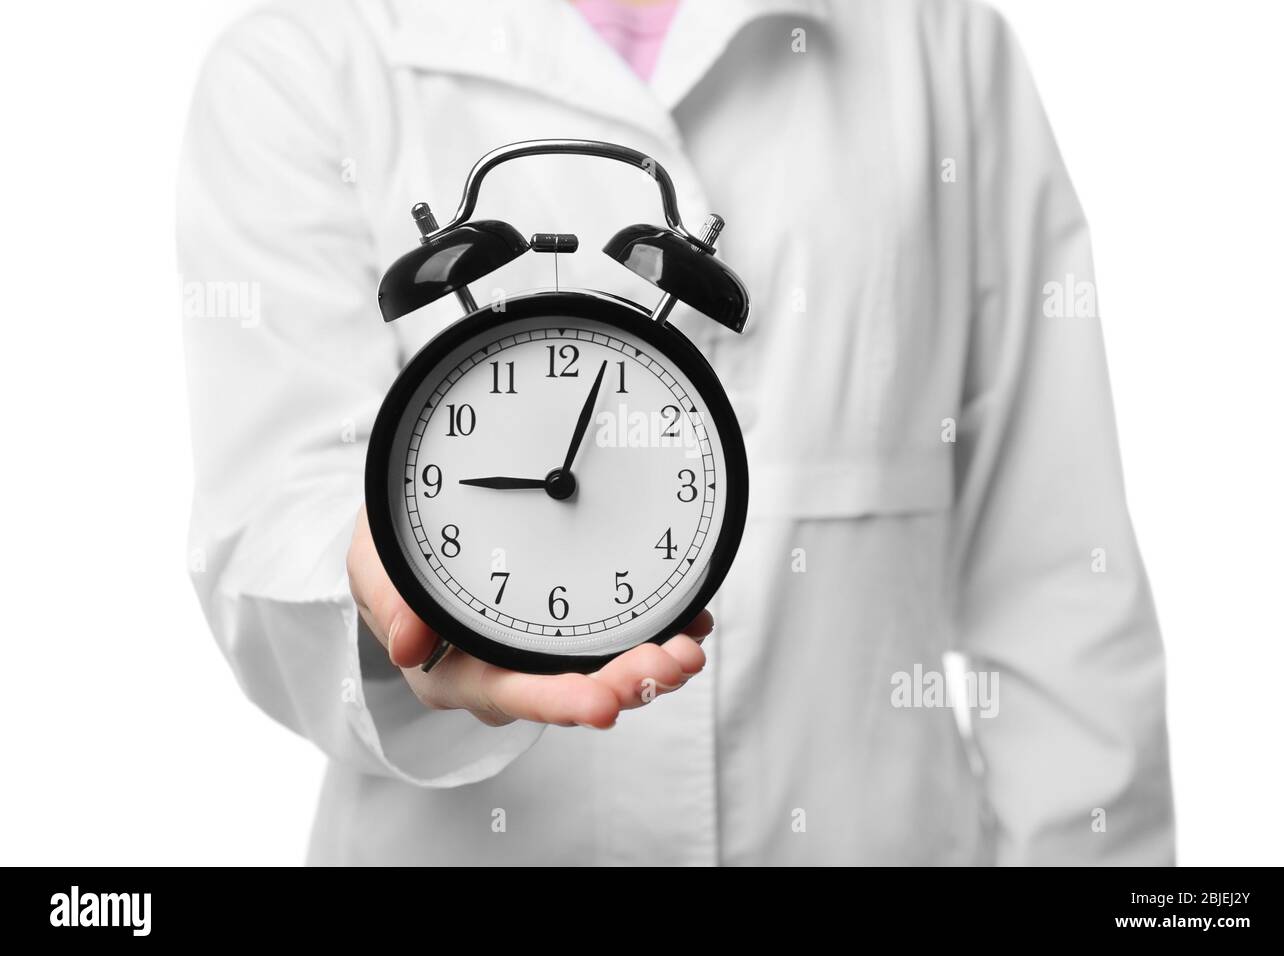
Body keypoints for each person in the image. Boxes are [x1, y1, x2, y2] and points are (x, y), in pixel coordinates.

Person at [179, 0, 1174, 865]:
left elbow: (1057, 575)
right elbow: (276, 513)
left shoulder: (946, 49)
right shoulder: (302, 57)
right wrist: (389, 591)